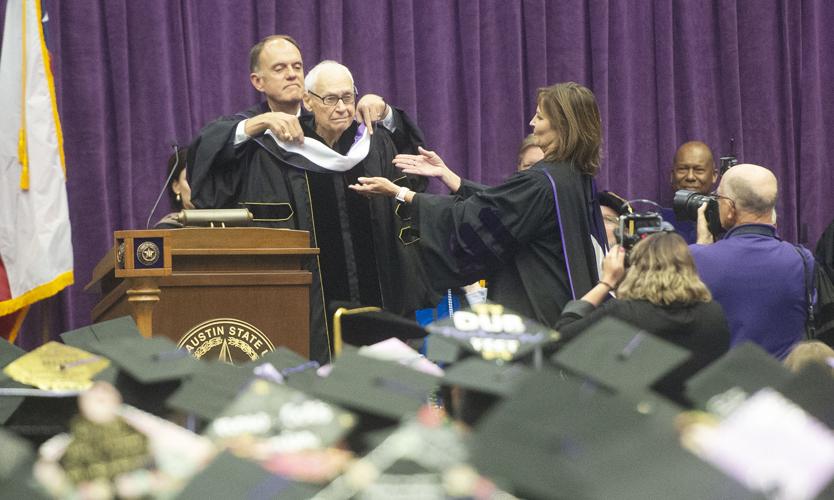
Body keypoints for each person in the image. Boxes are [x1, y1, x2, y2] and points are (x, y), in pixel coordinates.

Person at [186, 36, 430, 363]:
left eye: (297, 66)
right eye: (280, 68)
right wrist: (260, 123)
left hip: (379, 291)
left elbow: (414, 170)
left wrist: (385, 112)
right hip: (296, 304)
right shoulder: (257, 145)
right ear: (258, 81)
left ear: (308, 95)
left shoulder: (355, 137)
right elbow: (204, 168)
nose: (291, 74)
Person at [351, 82, 607, 327]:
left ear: (561, 125)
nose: (531, 123)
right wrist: (452, 179)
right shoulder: (573, 176)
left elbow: (471, 218)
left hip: (535, 312)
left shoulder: (541, 182)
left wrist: (402, 193)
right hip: (563, 303)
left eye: (539, 117)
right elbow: (508, 207)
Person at [550, 233, 731, 406]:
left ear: (636, 268)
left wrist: (607, 281)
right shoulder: (713, 313)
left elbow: (562, 337)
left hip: (632, 421)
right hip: (689, 422)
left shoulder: (625, 312)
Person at [689, 163, 813, 359]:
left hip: (723, 384)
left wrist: (701, 246)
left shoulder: (697, 257)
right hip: (785, 385)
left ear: (730, 208)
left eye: (718, 197)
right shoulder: (803, 260)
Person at [661, 141, 718, 244]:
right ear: (672, 175)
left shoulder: (725, 222)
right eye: (682, 169)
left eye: (699, 170)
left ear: (714, 175)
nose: (690, 177)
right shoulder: (659, 222)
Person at [154, 147, 194, 229]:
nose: (196, 186)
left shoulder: (223, 226)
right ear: (176, 187)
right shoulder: (166, 230)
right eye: (190, 179)